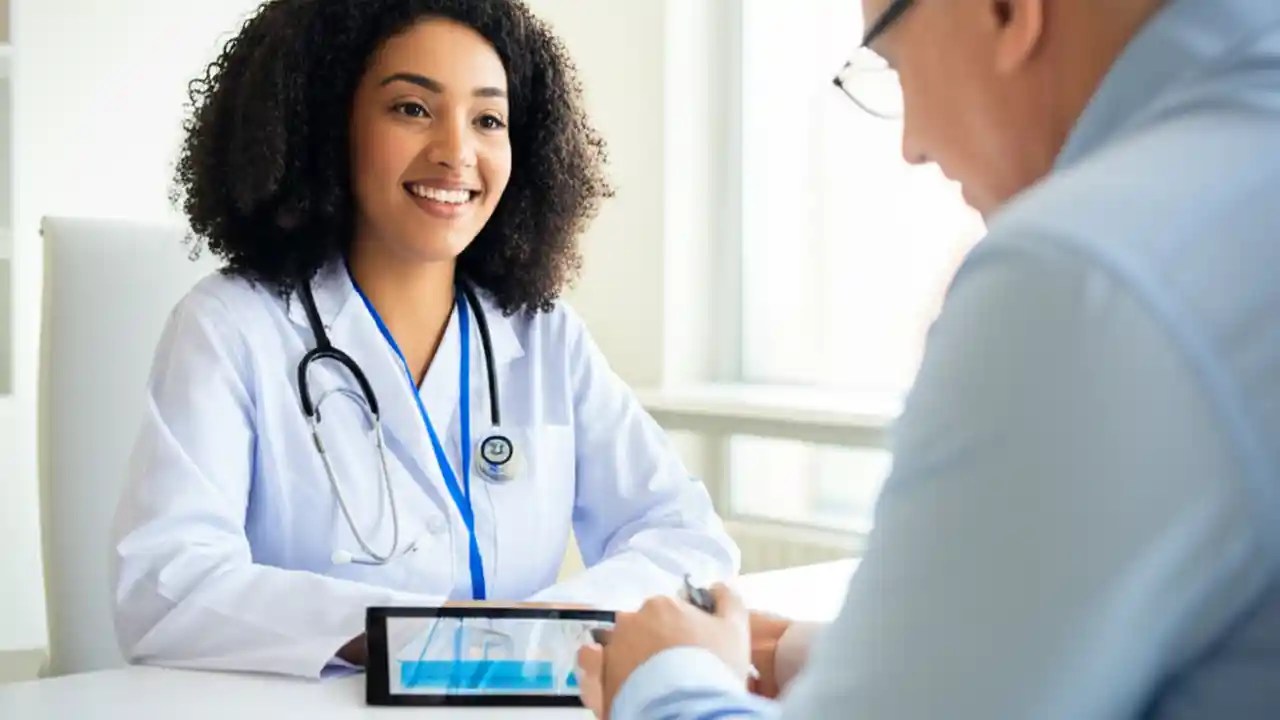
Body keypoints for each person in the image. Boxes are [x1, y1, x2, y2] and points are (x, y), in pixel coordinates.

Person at [579, 0, 1280, 716]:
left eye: (893, 64)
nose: (911, 144)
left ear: (1006, 11)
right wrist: (817, 651)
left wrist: (662, 684)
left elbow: (675, 530)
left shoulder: (1080, 274)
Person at [110, 0, 739, 679]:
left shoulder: (544, 335)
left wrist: (542, 635)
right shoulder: (232, 327)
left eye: (488, 119)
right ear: (328, 123)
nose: (456, 152)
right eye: (412, 108)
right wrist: (430, 639)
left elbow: (687, 540)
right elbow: (167, 588)